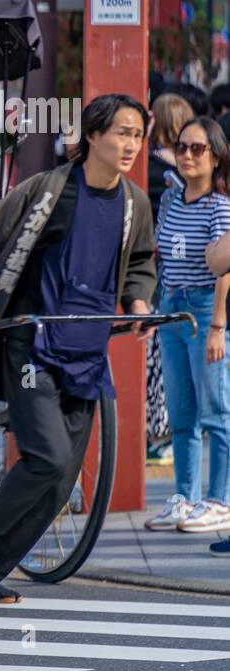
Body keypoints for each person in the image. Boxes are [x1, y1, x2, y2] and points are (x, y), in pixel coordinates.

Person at [0, 93, 157, 602]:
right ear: (92, 135)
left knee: (59, 482)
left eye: (137, 135)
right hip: (30, 344)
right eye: (121, 132)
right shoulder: (48, 191)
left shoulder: (134, 203)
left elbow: (140, 261)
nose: (130, 144)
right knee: (48, 459)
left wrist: (139, 303)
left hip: (87, 351)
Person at [145, 116, 230, 533]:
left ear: (216, 158)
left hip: (203, 312)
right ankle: (183, 497)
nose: (188, 155)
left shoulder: (220, 205)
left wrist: (217, 325)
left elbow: (224, 270)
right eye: (183, 147)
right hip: (171, 309)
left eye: (199, 149)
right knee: (181, 413)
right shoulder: (171, 199)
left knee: (216, 410)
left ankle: (219, 500)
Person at [144, 93, 194, 462]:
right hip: (189, 270)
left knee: (156, 349)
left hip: (156, 266)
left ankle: (156, 429)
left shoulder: (148, 168)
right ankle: (165, 430)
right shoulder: (191, 174)